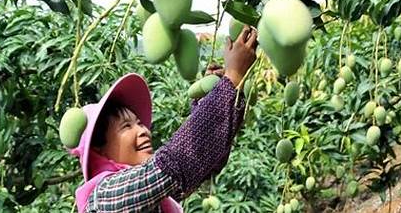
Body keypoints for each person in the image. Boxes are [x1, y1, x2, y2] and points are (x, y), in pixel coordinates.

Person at [67, 25, 258, 212]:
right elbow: (173, 165)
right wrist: (232, 78)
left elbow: (206, 165)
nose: (143, 131)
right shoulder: (105, 197)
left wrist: (222, 94)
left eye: (140, 123)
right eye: (126, 126)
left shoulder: (154, 198)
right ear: (99, 149)